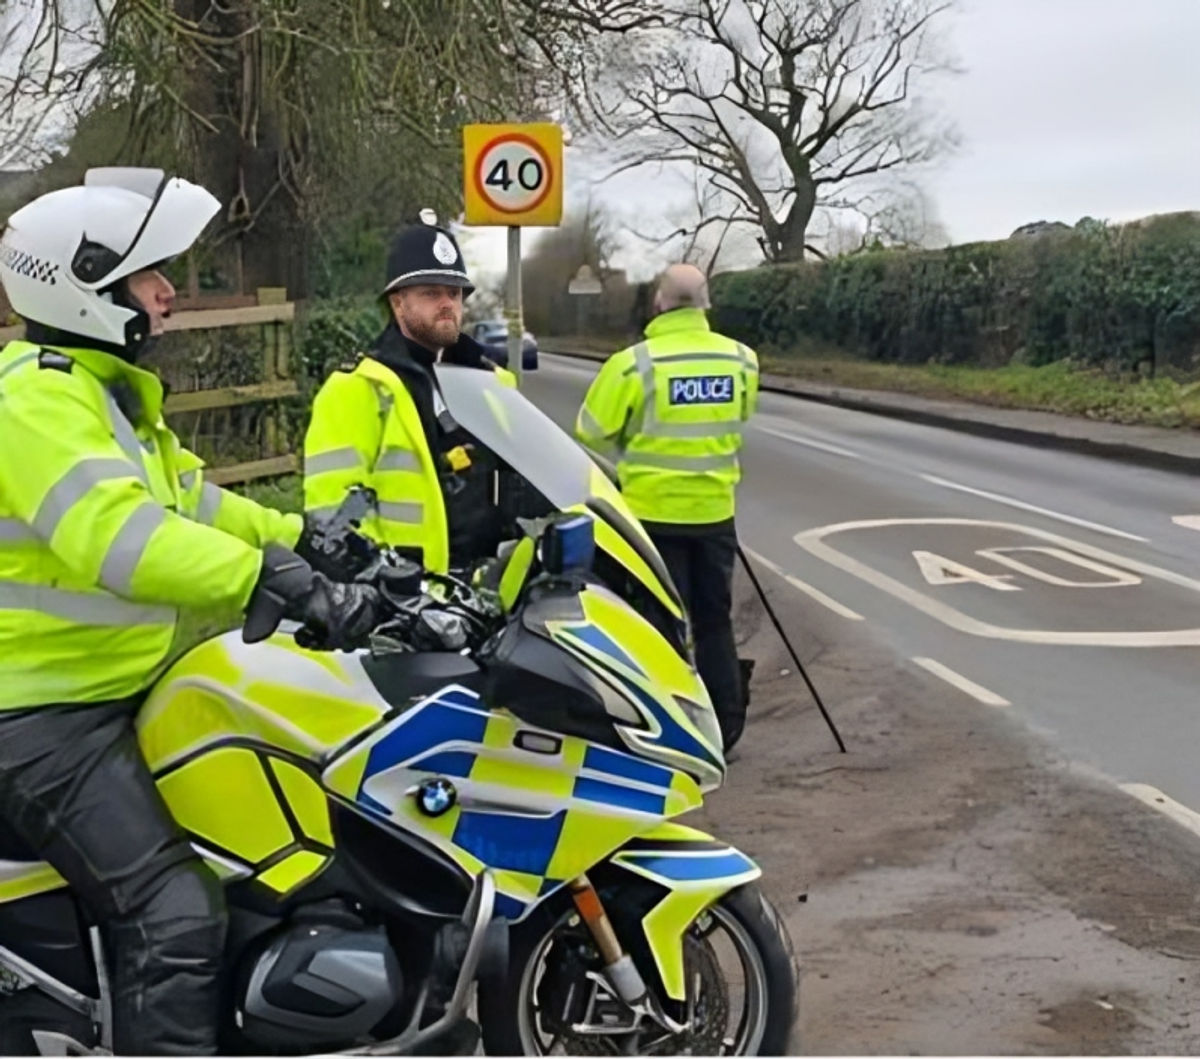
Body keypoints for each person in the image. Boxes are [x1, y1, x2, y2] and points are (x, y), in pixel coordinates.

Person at [0, 167, 380, 1055]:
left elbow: (194, 505)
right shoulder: (35, 400)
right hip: (43, 715)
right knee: (173, 914)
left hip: (110, 693)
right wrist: (265, 582)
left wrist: (312, 540)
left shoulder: (101, 397)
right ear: (83, 285)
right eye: (148, 276)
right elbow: (119, 537)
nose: (168, 292)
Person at [575, 263, 759, 752]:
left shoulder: (634, 365)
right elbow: (739, 416)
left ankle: (668, 726)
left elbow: (589, 432)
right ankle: (726, 723)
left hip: (650, 517)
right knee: (714, 620)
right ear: (705, 305)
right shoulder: (742, 361)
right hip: (715, 514)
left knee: (657, 625)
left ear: (658, 303)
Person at [303, 215, 515, 575]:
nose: (447, 304)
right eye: (431, 294)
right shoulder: (359, 388)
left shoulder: (493, 383)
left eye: (454, 293)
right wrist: (383, 580)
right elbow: (334, 515)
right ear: (398, 303)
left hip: (492, 585)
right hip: (408, 603)